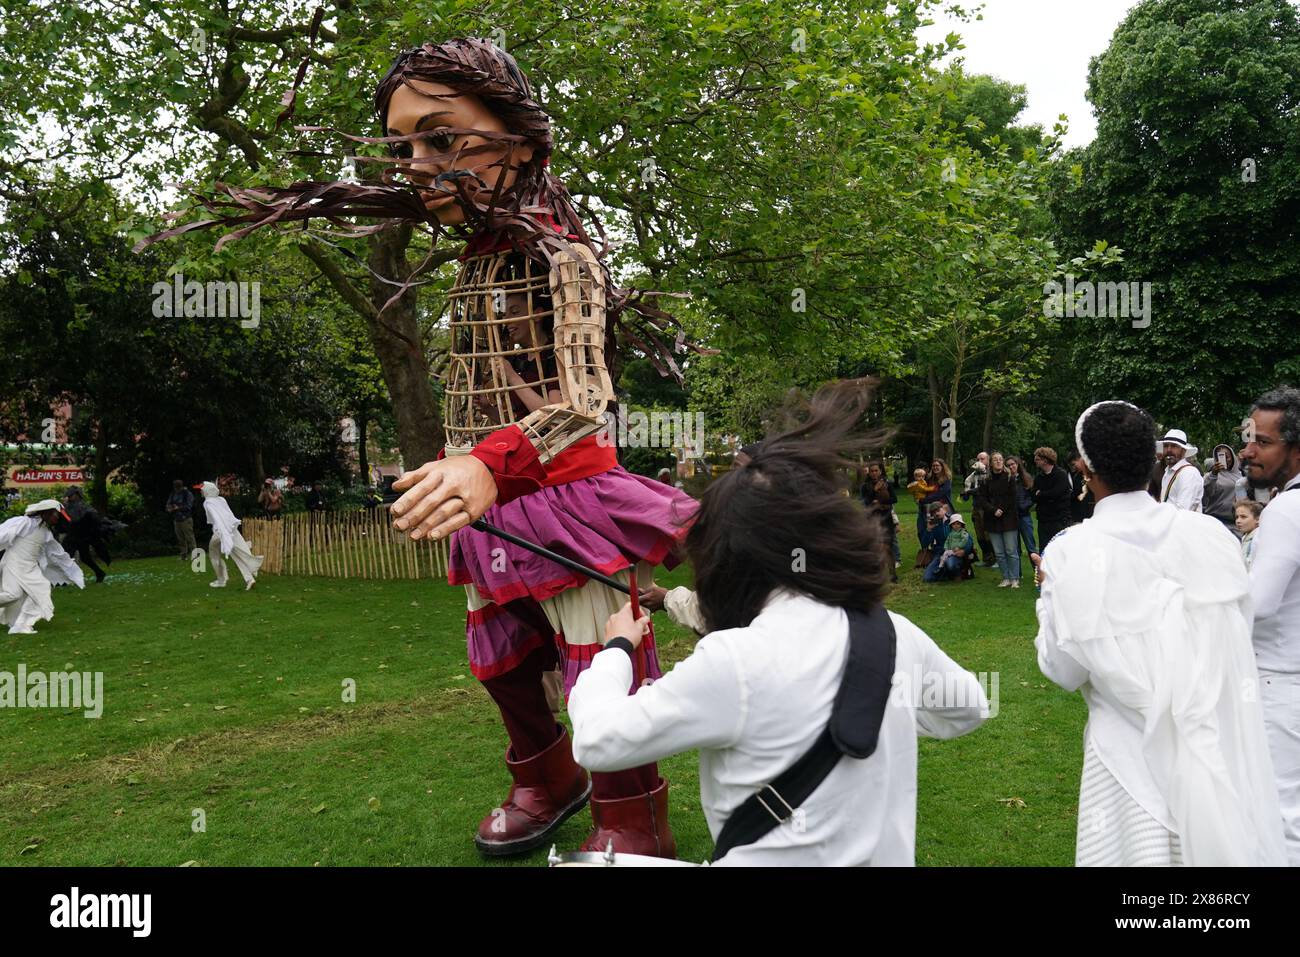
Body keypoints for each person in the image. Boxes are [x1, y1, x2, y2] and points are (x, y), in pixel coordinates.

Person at [568, 381, 988, 865]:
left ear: (729, 556)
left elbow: (599, 741)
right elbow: (969, 708)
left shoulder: (734, 662)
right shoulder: (893, 632)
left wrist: (617, 649)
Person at [1035, 400, 1285, 866]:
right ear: (1153, 458)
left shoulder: (1071, 552)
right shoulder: (1213, 537)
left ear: (1086, 469)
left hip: (1125, 761)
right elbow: (1236, 636)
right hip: (1213, 751)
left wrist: (1047, 599)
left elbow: (1063, 670)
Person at [1239, 385, 1300, 865]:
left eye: (1263, 441)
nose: (1249, 450)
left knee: (1281, 819)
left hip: (1280, 683)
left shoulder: (1284, 510)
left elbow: (1256, 604)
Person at [0, 500, 85, 634]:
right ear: (46, 512)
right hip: (13, 564)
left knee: (42, 590)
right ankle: (20, 625)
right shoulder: (24, 522)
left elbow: (57, 553)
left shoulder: (46, 533)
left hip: (30, 568)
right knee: (13, 595)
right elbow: (3, 534)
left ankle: (21, 625)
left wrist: (71, 570)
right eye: (55, 514)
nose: (57, 517)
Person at [201, 481, 264, 591]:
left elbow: (215, 518)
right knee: (237, 553)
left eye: (203, 489)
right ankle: (249, 578)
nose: (201, 491)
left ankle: (221, 580)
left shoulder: (208, 502)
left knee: (214, 554)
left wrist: (224, 534)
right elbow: (229, 514)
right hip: (231, 528)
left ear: (207, 491)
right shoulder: (221, 500)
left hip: (221, 531)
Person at [982, 452, 1021, 588]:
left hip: (1008, 518)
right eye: (995, 460)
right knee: (999, 552)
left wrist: (1001, 509)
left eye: (1000, 459)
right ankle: (1006, 577)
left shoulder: (1010, 477)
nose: (998, 462)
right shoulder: (986, 480)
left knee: (1011, 550)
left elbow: (1012, 497)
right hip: (992, 519)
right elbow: (982, 499)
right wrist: (993, 510)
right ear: (991, 463)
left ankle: (1015, 578)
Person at [60, 486, 109, 584]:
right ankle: (99, 573)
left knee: (80, 557)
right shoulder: (67, 505)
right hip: (73, 535)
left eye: (71, 495)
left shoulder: (84, 506)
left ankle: (98, 573)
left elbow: (88, 517)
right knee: (68, 557)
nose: (69, 497)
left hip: (80, 536)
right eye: (68, 496)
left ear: (77, 495)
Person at [860, 460, 898, 583]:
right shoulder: (865, 486)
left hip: (886, 517)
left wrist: (880, 503)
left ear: (880, 471)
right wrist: (875, 490)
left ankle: (893, 574)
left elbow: (894, 499)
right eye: (872, 471)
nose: (874, 473)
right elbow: (865, 502)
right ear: (869, 473)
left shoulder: (887, 483)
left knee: (888, 546)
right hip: (873, 519)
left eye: (876, 470)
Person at [1032, 446, 1072, 554]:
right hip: (1044, 521)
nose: (1035, 461)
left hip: (1059, 520)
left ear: (1045, 460)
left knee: (1060, 551)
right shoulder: (1039, 477)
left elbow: (1056, 494)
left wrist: (1042, 494)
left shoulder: (1061, 475)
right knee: (1045, 552)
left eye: (1037, 459)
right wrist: (1044, 495)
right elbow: (1034, 496)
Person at [1006, 456, 1040, 577]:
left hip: (1024, 517)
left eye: (1013, 464)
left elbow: (1033, 497)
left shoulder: (1026, 478)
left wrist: (1024, 506)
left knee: (1031, 546)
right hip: (1011, 518)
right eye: (1008, 465)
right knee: (1015, 548)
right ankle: (1017, 574)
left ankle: (1038, 572)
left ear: (1018, 464)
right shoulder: (1006, 480)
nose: (1011, 467)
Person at [961, 452, 997, 567]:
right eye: (978, 459)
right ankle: (986, 559)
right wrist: (965, 494)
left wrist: (971, 491)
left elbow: (984, 489)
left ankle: (996, 559)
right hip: (976, 507)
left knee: (989, 534)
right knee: (980, 534)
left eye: (982, 458)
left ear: (988, 460)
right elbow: (968, 486)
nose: (979, 461)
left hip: (987, 508)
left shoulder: (991, 473)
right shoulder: (973, 474)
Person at [1202, 444, 1243, 535]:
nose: (1225, 461)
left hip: (1235, 523)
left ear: (1233, 457)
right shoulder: (1211, 476)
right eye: (1220, 457)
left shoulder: (1241, 475)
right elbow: (1208, 492)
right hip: (1214, 521)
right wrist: (1213, 475)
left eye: (1227, 457)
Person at [1158, 428, 1203, 512]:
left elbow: (1183, 510)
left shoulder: (1189, 473)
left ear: (1183, 451)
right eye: (1166, 446)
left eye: (1174, 446)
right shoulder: (1168, 471)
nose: (1169, 450)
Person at [924, 513, 974, 583]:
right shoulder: (934, 524)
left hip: (955, 552)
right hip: (941, 553)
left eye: (938, 510)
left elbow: (968, 540)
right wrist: (929, 529)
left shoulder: (954, 523)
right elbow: (925, 544)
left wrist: (964, 550)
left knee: (951, 564)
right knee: (928, 578)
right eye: (934, 511)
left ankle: (957, 573)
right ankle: (944, 572)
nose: (937, 513)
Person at [166, 479, 197, 561]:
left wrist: (178, 507)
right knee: (180, 539)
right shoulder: (173, 494)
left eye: (178, 487)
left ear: (181, 486)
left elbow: (189, 506)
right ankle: (183, 556)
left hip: (186, 518)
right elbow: (168, 503)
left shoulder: (187, 494)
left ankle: (195, 555)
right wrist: (169, 508)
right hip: (176, 519)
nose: (177, 489)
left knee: (190, 537)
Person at [1067, 452, 1095, 524]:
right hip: (1079, 513)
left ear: (1079, 459)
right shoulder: (1077, 475)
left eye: (1073, 464)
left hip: (1088, 512)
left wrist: (1069, 495)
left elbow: (1080, 489)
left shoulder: (1088, 473)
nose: (1074, 467)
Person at [1236, 499, 1263, 569]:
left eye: (1243, 517)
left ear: (1257, 519)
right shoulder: (1245, 537)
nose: (1238, 521)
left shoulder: (1258, 539)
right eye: (1237, 517)